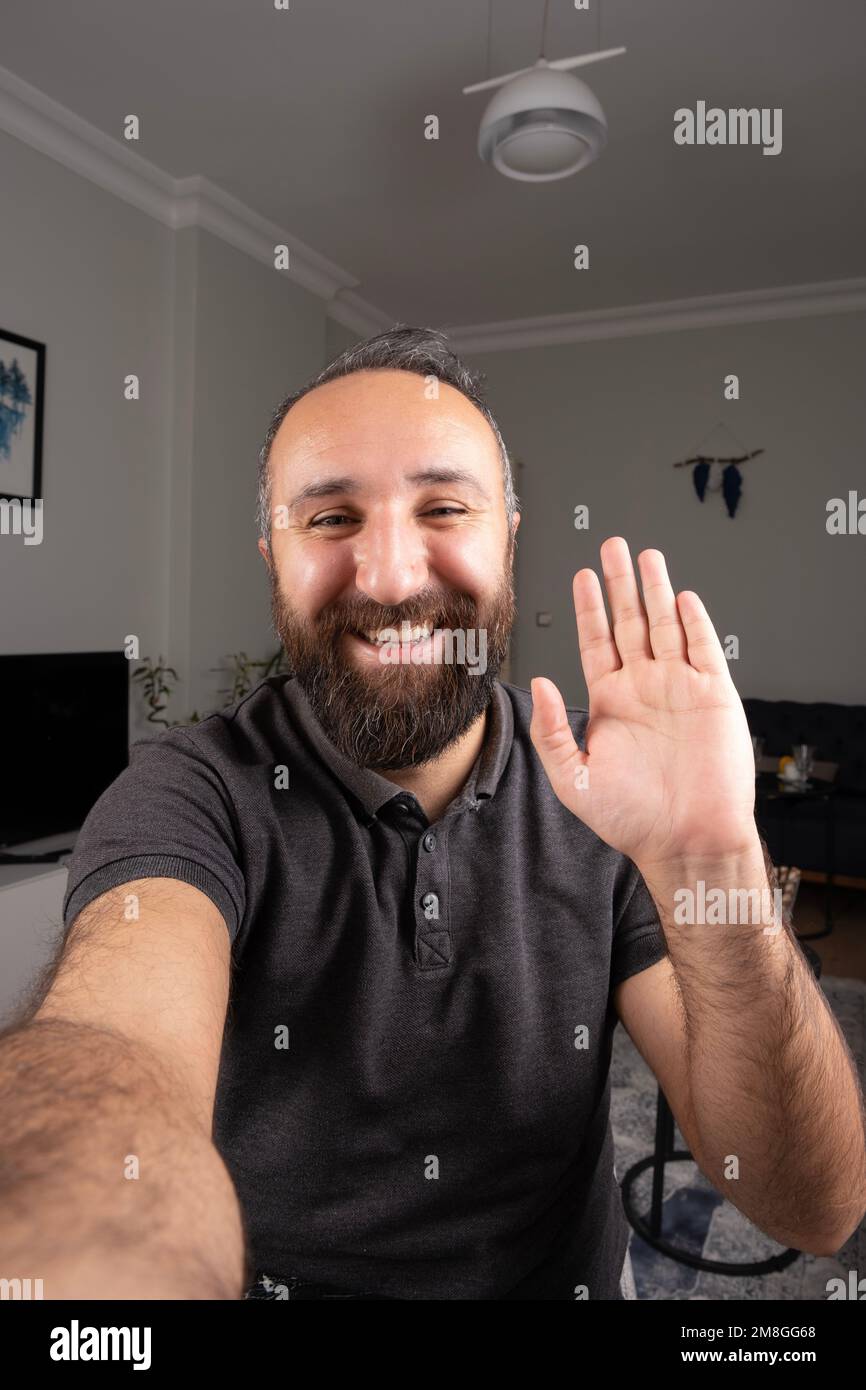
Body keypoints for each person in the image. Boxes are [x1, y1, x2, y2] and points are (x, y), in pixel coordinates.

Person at [1, 326, 864, 1301]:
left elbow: (808, 1205)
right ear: (271, 556)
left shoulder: (610, 787)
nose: (391, 576)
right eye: (329, 519)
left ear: (507, 534)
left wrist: (712, 860)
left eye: (443, 507)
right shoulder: (189, 794)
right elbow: (113, 1050)